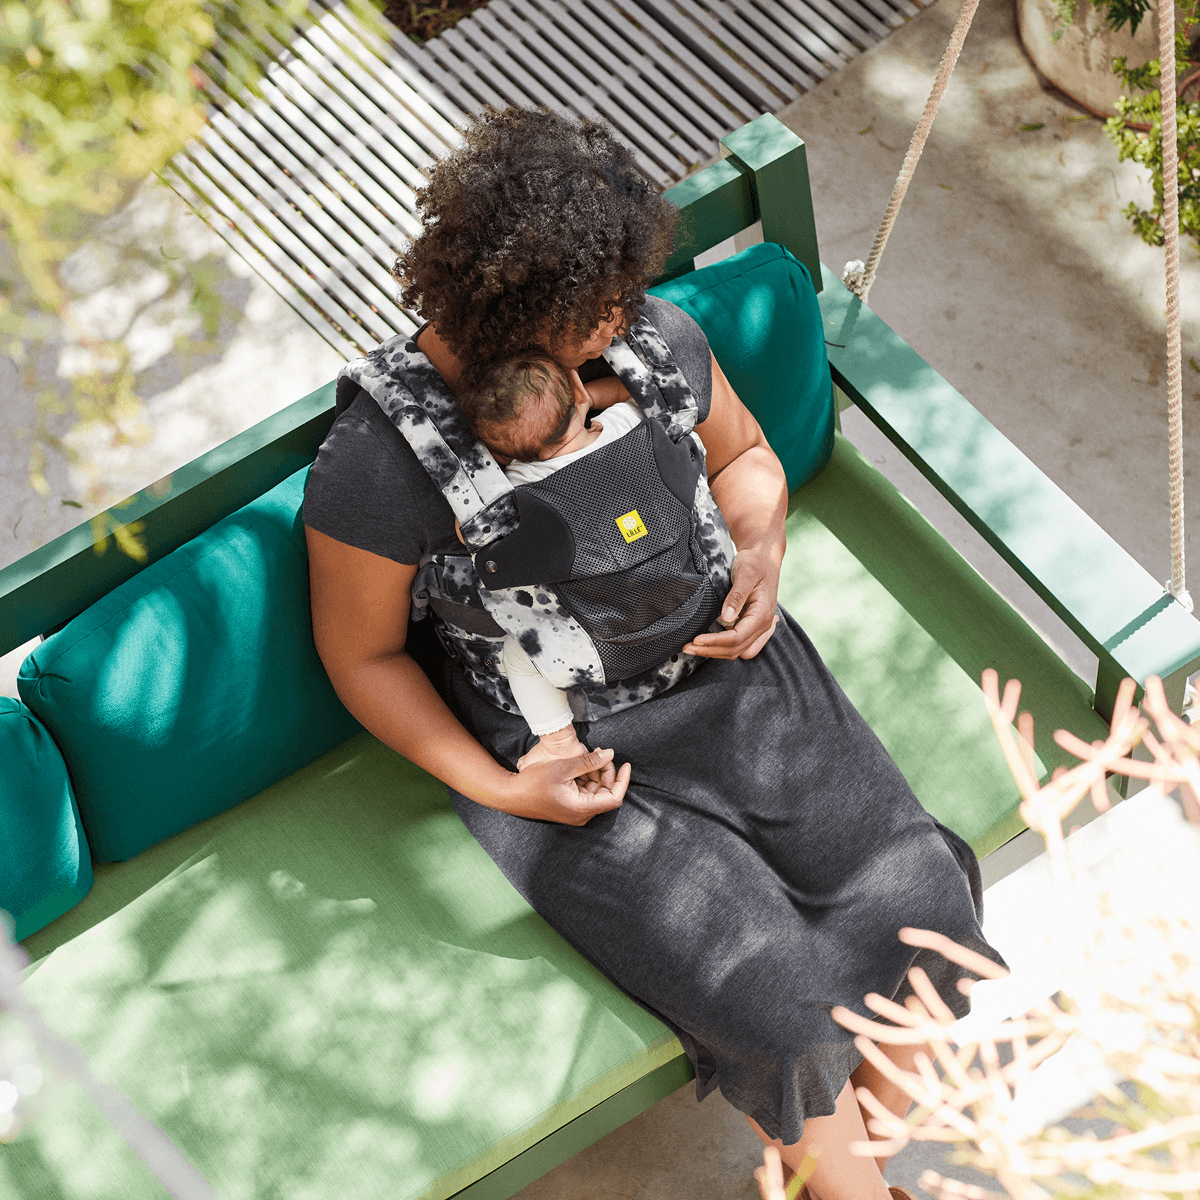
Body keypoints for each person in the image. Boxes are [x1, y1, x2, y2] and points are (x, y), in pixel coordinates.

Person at [302, 105, 1005, 1200]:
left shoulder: (653, 344)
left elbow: (745, 459)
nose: (631, 315)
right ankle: (854, 1182)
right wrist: (503, 787)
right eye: (603, 304)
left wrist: (763, 544)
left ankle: (830, 1172)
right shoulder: (377, 464)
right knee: (778, 1007)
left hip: (741, 680)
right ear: (524, 315)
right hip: (580, 764)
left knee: (928, 904)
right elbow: (363, 660)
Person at [458, 349, 701, 771]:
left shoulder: (518, 489)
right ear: (578, 392)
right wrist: (586, 393)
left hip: (606, 651)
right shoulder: (630, 423)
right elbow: (639, 388)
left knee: (521, 656)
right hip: (693, 603)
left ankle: (558, 742)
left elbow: (471, 536)